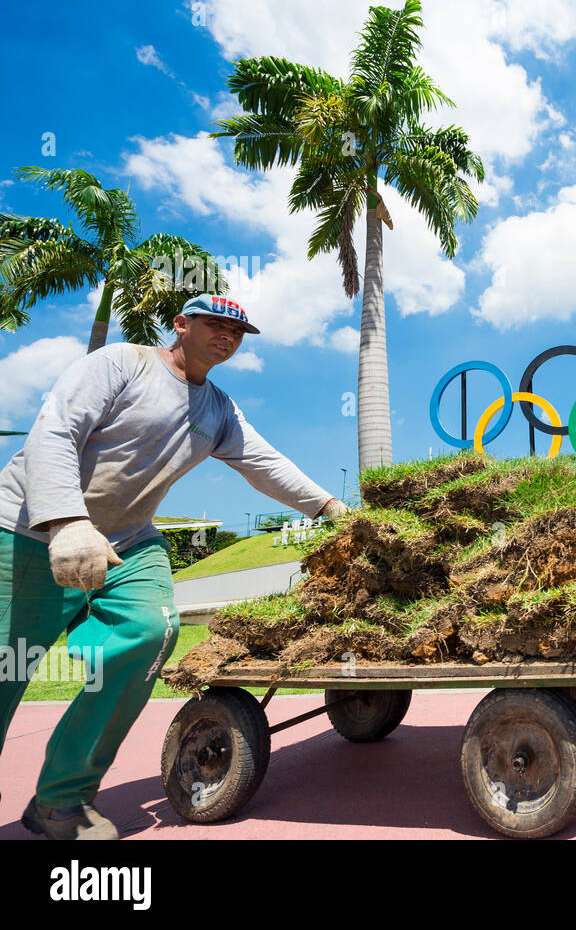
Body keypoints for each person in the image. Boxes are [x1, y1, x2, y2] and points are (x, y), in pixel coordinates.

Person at [0, 294, 347, 840]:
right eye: (216, 324)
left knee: (148, 632)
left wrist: (331, 508)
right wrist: (66, 521)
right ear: (181, 326)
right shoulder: (120, 364)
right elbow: (54, 431)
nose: (228, 336)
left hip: (129, 543)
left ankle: (61, 799)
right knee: (6, 670)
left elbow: (264, 463)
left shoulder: (218, 408)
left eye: (237, 331)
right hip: (28, 533)